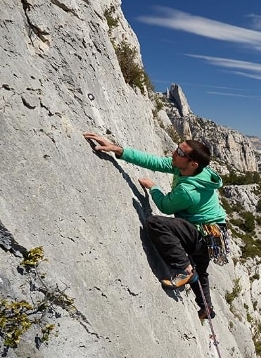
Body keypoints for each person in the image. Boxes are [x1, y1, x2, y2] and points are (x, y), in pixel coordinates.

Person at [83, 132, 227, 320]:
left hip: (201, 233)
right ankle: (206, 308)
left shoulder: (189, 191)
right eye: (177, 148)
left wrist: (153, 187)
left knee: (155, 223)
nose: (174, 153)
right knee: (201, 270)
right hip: (213, 233)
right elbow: (156, 162)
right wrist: (119, 150)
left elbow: (165, 206)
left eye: (180, 153)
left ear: (193, 164)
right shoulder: (195, 170)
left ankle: (184, 269)